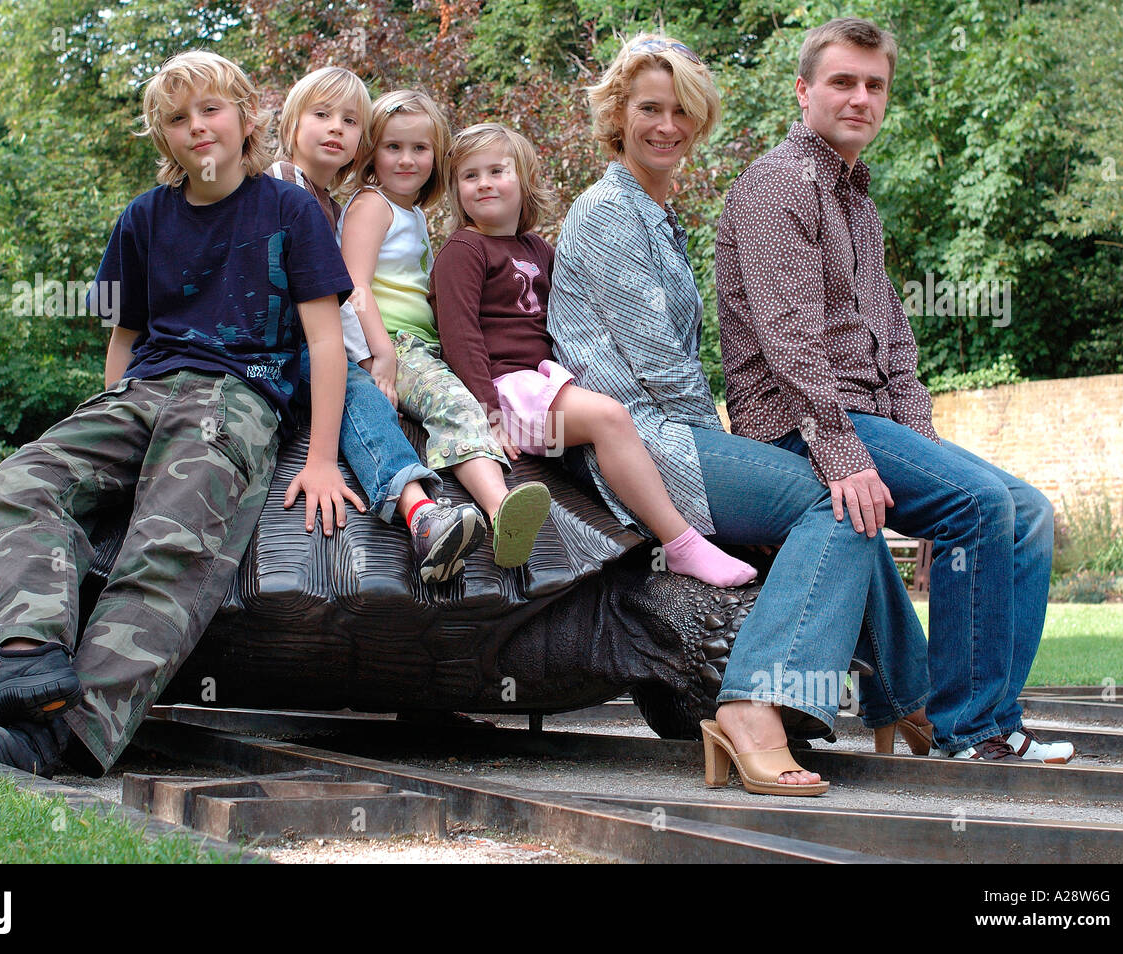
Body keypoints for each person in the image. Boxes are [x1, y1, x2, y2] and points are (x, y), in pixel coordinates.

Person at [0, 51, 358, 777]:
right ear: (163, 139)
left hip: (233, 398)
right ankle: (28, 658)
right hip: (143, 391)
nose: (196, 127)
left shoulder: (289, 209)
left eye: (211, 109)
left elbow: (325, 343)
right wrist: (113, 438)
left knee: (166, 543)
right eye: (177, 119)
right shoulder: (144, 219)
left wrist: (325, 455)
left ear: (246, 117)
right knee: (25, 475)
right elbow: (124, 341)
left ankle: (67, 734)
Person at [547, 34, 932, 794]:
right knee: (836, 497)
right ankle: (756, 707)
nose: (668, 124)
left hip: (676, 431)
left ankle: (905, 701)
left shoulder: (657, 214)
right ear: (616, 116)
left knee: (845, 493)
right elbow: (656, 368)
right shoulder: (605, 212)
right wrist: (732, 452)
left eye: (683, 109)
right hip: (644, 443)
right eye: (649, 108)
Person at [715, 17, 1073, 762]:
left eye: (875, 85)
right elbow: (790, 345)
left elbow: (895, 340)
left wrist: (926, 442)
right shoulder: (780, 184)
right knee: (982, 503)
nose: (861, 98)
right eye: (843, 82)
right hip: (797, 421)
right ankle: (962, 734)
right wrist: (842, 453)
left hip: (870, 416)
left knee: (1028, 513)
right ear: (804, 90)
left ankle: (996, 721)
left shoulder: (857, 201)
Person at [433, 122, 756, 588]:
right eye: (469, 175)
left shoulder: (539, 249)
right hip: (508, 392)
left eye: (497, 170)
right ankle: (681, 544)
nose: (483, 183)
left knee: (625, 421)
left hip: (546, 382)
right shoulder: (464, 250)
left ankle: (693, 522)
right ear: (456, 190)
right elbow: (461, 339)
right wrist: (489, 415)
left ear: (523, 180)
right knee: (609, 418)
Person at [270, 66, 485, 582]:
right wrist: (376, 354)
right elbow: (345, 292)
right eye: (321, 115)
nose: (335, 128)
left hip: (312, 341)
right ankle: (417, 508)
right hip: (276, 345)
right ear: (292, 121)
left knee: (349, 376)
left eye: (348, 120)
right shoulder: (279, 184)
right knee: (354, 388)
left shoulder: (327, 202)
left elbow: (336, 294)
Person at [339, 91, 551, 569]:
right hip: (391, 343)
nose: (407, 159)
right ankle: (500, 510)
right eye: (393, 147)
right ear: (371, 151)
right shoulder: (372, 205)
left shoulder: (410, 213)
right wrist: (383, 354)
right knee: (454, 404)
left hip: (417, 344)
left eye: (420, 148)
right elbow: (354, 286)